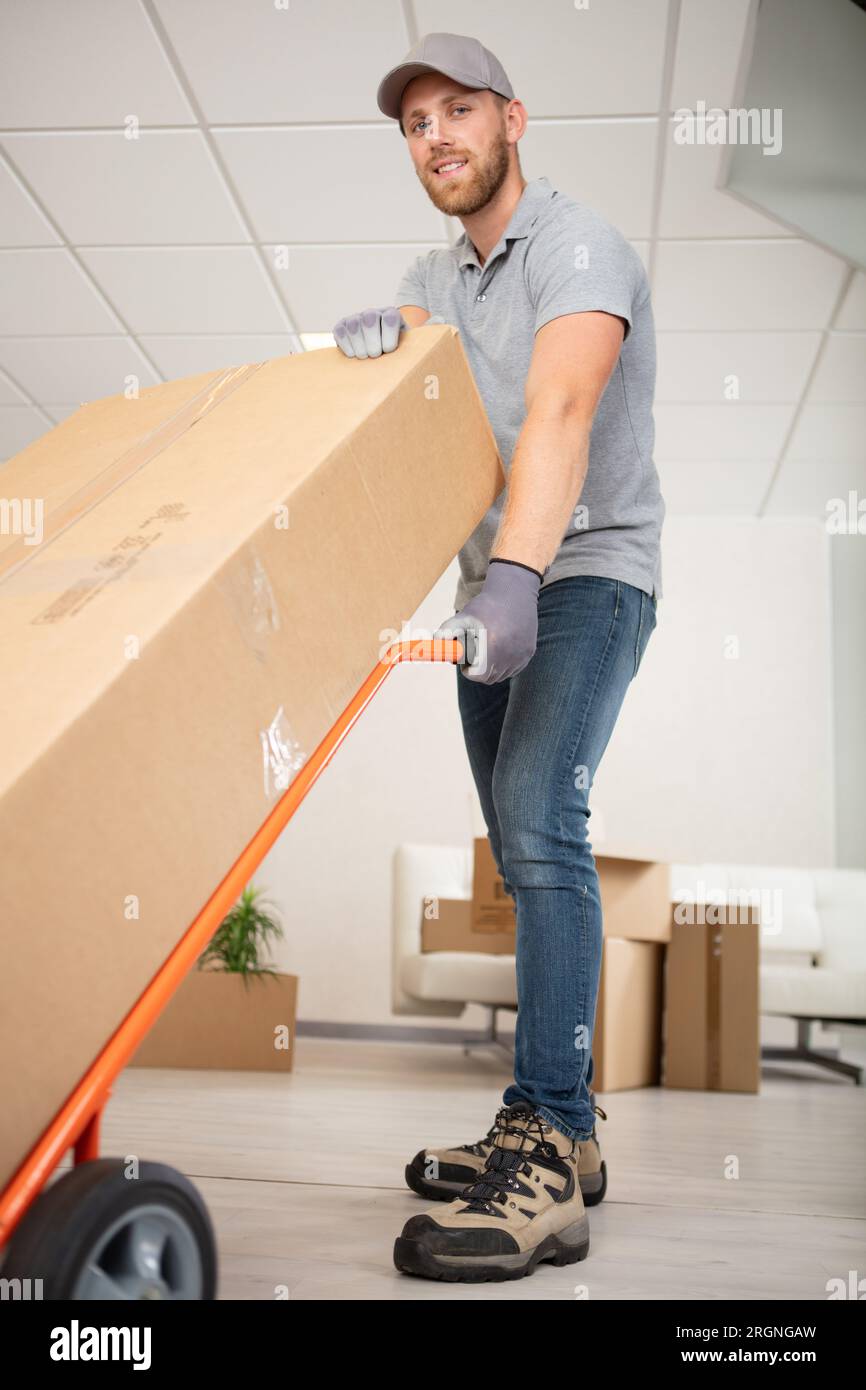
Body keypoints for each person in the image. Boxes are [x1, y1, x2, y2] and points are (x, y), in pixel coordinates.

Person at [334, 32, 664, 1284]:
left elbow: (564, 411)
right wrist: (373, 363)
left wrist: (519, 575)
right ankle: (557, 1126)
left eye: (458, 111)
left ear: (511, 120)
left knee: (538, 820)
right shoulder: (434, 270)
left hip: (581, 571)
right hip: (493, 589)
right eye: (416, 124)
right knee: (522, 852)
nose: (438, 139)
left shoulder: (580, 248)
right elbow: (417, 393)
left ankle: (551, 1145)